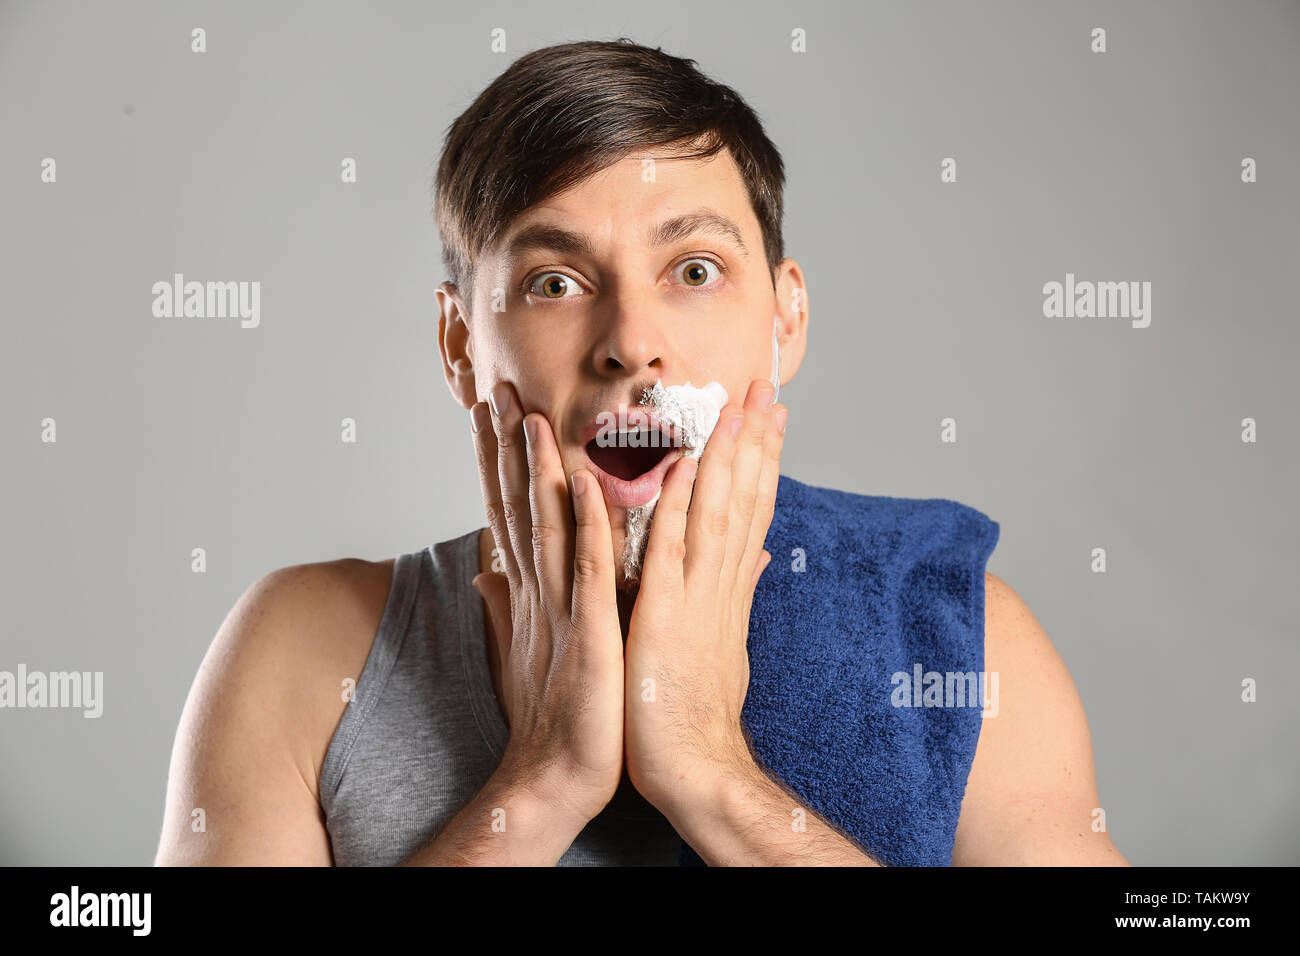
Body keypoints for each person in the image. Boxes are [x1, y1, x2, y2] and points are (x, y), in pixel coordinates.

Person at [155, 38, 1128, 866]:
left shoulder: (958, 635)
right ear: (459, 346)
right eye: (553, 281)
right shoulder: (299, 650)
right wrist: (537, 785)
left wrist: (712, 776)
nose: (631, 339)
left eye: (694, 269)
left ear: (785, 318)